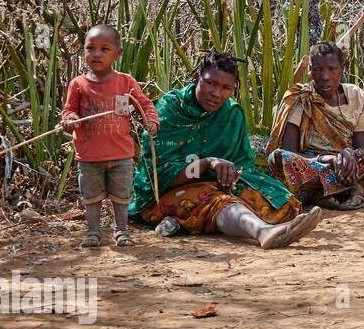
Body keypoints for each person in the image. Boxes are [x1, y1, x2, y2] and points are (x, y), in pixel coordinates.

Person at [130, 51, 322, 249]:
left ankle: (188, 223)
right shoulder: (170, 109)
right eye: (211, 83)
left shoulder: (231, 113)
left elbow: (243, 166)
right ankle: (263, 232)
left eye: (225, 88)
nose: (216, 94)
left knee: (282, 201)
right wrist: (206, 164)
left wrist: (230, 178)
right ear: (197, 78)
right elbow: (157, 176)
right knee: (216, 201)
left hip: (216, 186)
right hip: (164, 194)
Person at [265, 41, 364, 210]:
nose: (325, 76)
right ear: (310, 70)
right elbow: (289, 152)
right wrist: (330, 160)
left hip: (348, 165)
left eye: (332, 69)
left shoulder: (356, 95)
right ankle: (347, 191)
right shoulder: (301, 97)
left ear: (342, 68)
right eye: (317, 69)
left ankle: (343, 190)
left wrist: (349, 158)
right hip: (315, 165)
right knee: (276, 158)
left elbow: (360, 148)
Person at [60, 24, 159, 248]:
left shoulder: (126, 82)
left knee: (121, 196)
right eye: (90, 48)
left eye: (104, 49)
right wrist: (69, 120)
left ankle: (121, 231)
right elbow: (68, 110)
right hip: (89, 156)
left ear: (118, 53)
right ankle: (93, 232)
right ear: (83, 51)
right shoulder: (77, 84)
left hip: (121, 155)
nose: (96, 53)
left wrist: (151, 120)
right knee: (91, 197)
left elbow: (145, 104)